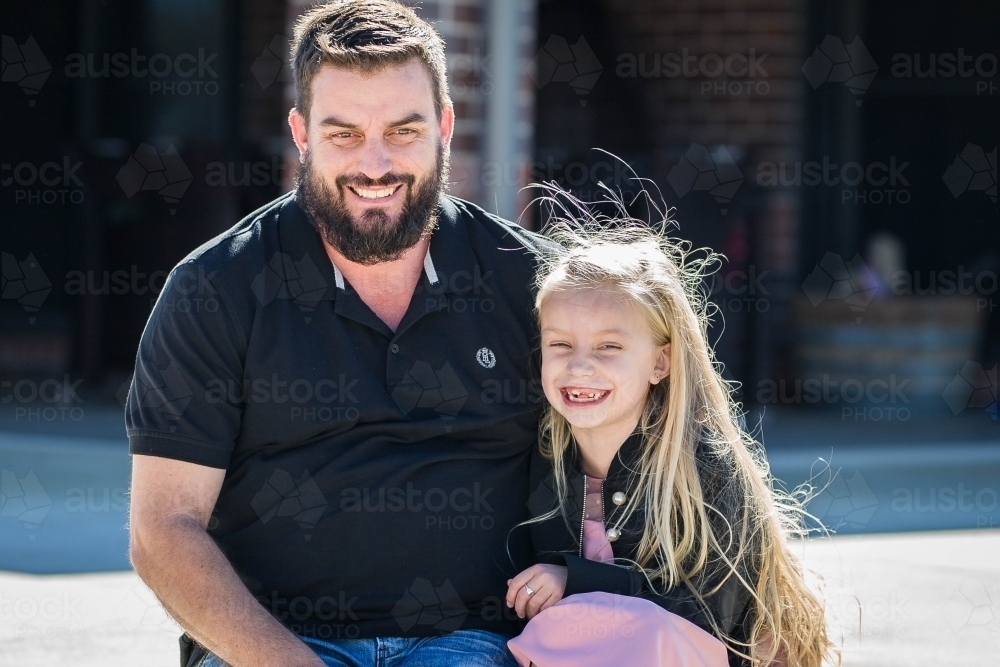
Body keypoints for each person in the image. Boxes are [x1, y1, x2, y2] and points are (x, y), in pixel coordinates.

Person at [125, 2, 551, 666]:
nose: (375, 165)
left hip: (469, 638)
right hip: (275, 641)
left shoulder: (533, 283)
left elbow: (653, 461)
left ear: (444, 126)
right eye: (344, 133)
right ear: (301, 134)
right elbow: (163, 529)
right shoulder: (214, 288)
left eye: (403, 130)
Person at [500, 193, 834, 667]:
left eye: (609, 346)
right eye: (560, 344)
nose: (579, 366)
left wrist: (575, 580)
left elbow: (701, 616)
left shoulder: (704, 467)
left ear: (660, 361)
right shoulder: (543, 456)